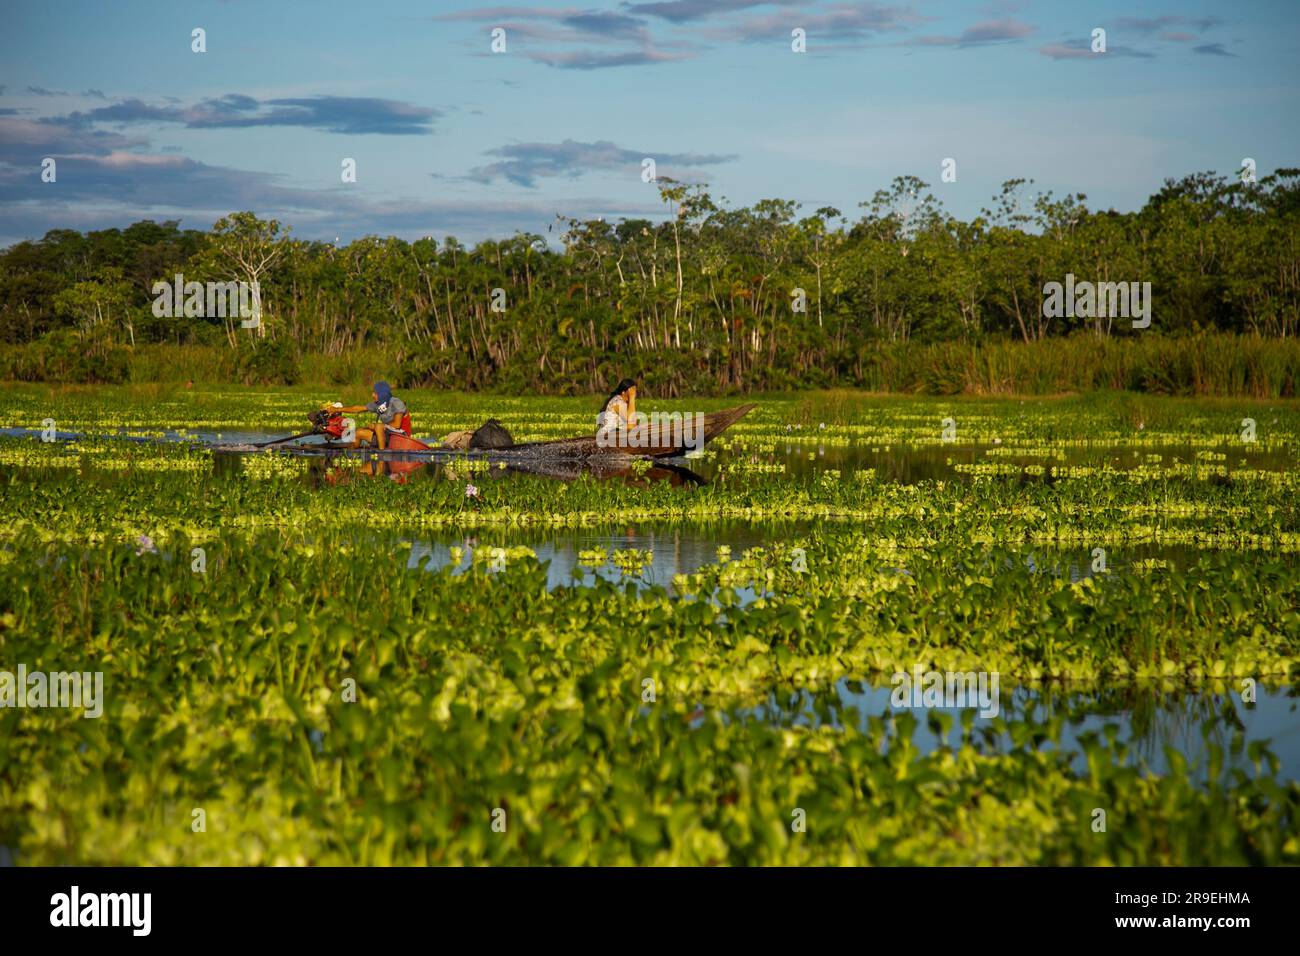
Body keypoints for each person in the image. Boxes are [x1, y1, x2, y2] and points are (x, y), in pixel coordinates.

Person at [330, 380, 410, 450]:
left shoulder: (397, 403)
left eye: (375, 393)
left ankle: (381, 454)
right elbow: (357, 409)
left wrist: (375, 426)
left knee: (378, 426)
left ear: (382, 394)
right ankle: (350, 452)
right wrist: (337, 409)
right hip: (386, 435)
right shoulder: (378, 404)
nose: (372, 395)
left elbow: (396, 425)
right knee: (358, 433)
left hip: (401, 438)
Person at [596, 378, 637, 443]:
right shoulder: (617, 401)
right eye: (631, 392)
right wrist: (632, 398)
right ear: (623, 393)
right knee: (631, 427)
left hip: (614, 434)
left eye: (634, 391)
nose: (634, 394)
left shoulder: (625, 403)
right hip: (607, 436)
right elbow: (631, 420)